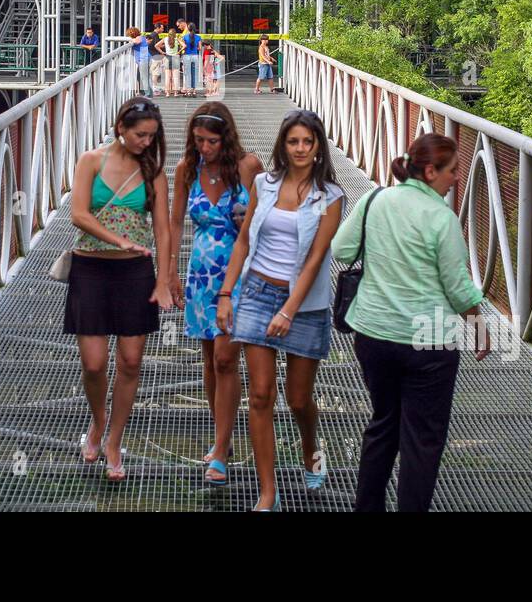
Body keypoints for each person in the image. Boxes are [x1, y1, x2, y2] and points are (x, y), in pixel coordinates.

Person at [332, 133, 490, 513]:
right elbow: (457, 287)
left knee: (383, 423)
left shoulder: (374, 200)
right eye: (453, 171)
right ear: (431, 170)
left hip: (375, 334)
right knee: (423, 439)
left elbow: (341, 249)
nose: (457, 179)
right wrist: (481, 328)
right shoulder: (442, 218)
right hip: (430, 344)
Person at [217, 109, 344, 511]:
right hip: (256, 291)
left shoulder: (331, 198)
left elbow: (315, 259)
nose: (301, 148)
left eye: (308, 141)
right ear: (283, 146)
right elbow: (242, 242)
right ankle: (267, 490)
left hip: (304, 305)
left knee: (298, 400)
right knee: (259, 395)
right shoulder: (264, 184)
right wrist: (226, 293)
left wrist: (288, 310)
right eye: (294, 142)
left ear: (319, 146)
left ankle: (311, 447)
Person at [66, 96, 175, 481]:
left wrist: (163, 279)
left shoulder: (154, 172)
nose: (147, 142)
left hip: (135, 273)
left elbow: (163, 229)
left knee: (130, 361)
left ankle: (114, 440)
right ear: (120, 129)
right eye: (140, 135)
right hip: (90, 268)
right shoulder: (91, 160)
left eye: (152, 136)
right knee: (94, 363)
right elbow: (78, 213)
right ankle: (98, 420)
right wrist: (119, 240)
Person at [169, 104, 264, 485]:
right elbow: (175, 221)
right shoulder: (186, 170)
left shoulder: (248, 167)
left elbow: (269, 212)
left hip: (239, 273)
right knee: (210, 360)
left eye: (211, 140)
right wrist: (170, 273)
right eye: (198, 140)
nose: (204, 147)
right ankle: (220, 435)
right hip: (201, 274)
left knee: (226, 358)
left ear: (226, 138)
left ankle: (221, 452)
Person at [126, 26, 152, 97]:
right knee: (139, 76)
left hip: (143, 59)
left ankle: (147, 94)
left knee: (143, 77)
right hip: (145, 58)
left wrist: (131, 40)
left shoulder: (138, 38)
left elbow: (137, 41)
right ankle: (145, 92)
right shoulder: (142, 37)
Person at [157, 27, 183, 97]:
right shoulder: (177, 39)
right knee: (175, 77)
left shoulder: (165, 39)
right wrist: (178, 52)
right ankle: (175, 93)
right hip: (175, 58)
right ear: (175, 34)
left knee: (167, 77)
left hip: (167, 57)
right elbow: (184, 46)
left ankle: (167, 93)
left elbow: (156, 45)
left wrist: (162, 52)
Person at [181, 22, 203, 96]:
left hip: (187, 56)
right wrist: (195, 48)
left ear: (188, 28)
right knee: (194, 73)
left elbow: (183, 47)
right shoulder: (198, 37)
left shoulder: (184, 37)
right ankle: (194, 91)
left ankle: (188, 91)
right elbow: (199, 48)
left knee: (187, 74)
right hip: (195, 56)